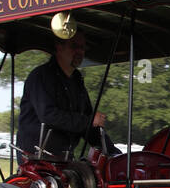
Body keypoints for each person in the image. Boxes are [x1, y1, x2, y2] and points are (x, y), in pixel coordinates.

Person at [17, 29, 107, 157]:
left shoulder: (77, 80)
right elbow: (48, 116)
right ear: (59, 47)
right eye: (74, 46)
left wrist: (111, 151)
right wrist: (89, 121)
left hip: (64, 156)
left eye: (82, 48)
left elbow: (88, 120)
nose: (80, 52)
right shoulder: (41, 76)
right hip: (36, 157)